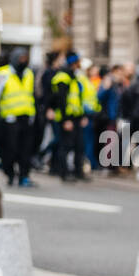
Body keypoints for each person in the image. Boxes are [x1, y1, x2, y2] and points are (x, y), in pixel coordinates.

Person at [0, 49, 37, 187]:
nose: (23, 61)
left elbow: (32, 94)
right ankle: (10, 174)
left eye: (25, 58)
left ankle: (24, 176)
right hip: (9, 119)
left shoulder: (29, 73)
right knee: (10, 149)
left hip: (26, 117)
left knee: (26, 150)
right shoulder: (3, 73)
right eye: (21, 58)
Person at [46, 52, 87, 182]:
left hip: (76, 117)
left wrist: (82, 116)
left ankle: (77, 172)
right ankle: (63, 173)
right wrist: (66, 120)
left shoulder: (74, 76)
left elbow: (77, 98)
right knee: (65, 146)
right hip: (66, 118)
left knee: (78, 145)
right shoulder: (63, 77)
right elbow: (61, 100)